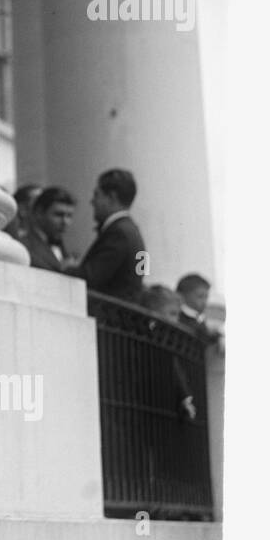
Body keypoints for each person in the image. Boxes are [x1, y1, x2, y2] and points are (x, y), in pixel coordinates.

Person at [73, 168, 147, 302]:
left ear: (112, 197)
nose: (92, 201)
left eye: (97, 195)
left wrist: (66, 267)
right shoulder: (132, 231)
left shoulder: (119, 233)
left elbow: (91, 277)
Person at [139, 284, 198, 422]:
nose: (176, 320)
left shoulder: (166, 336)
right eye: (172, 313)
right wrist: (185, 396)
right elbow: (172, 366)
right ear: (153, 312)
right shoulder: (156, 335)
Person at [25, 186, 76, 272]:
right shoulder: (25, 246)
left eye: (69, 216)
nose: (65, 222)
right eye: (59, 215)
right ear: (39, 213)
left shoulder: (65, 252)